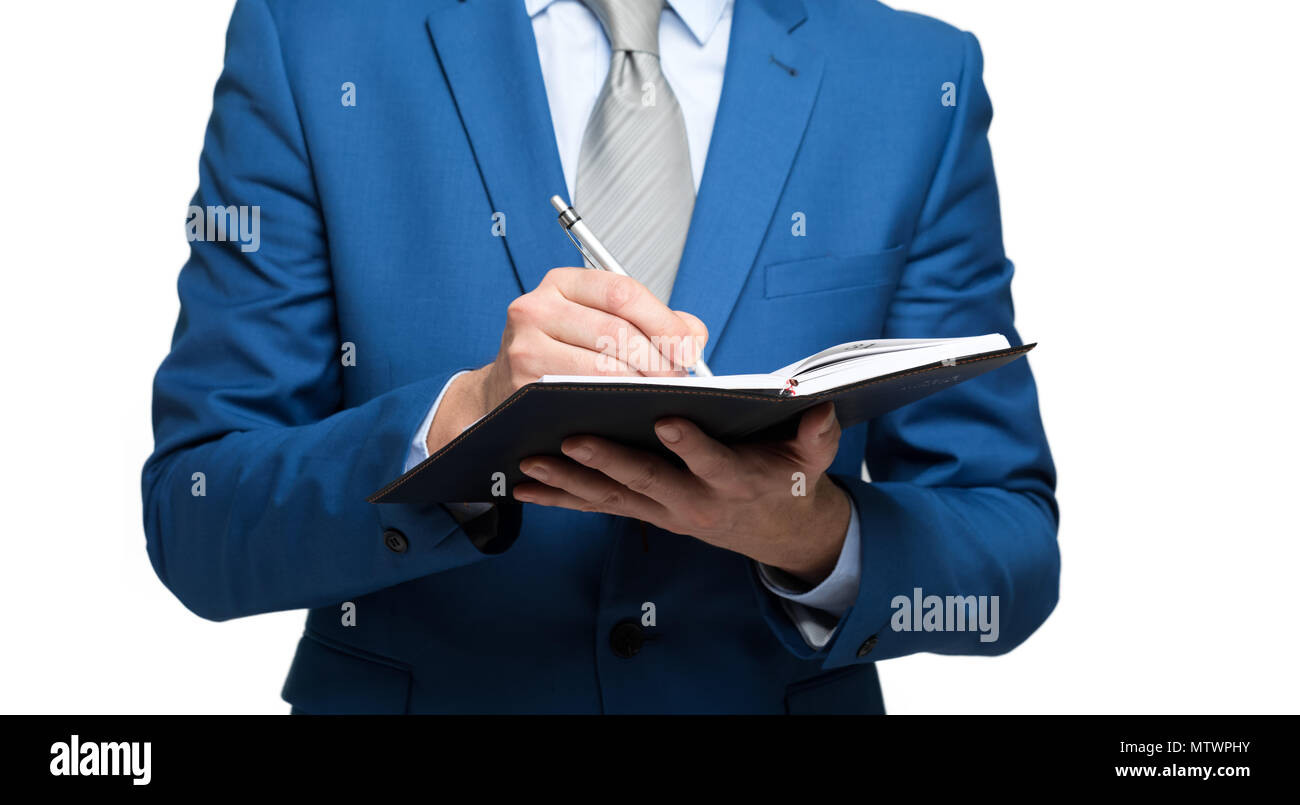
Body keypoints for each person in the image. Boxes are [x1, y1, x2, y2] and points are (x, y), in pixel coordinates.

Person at [144, 0, 1059, 714]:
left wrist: (808, 534)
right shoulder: (310, 43)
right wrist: (459, 428)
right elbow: (197, 521)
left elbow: (1010, 554)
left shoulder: (914, 79)